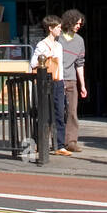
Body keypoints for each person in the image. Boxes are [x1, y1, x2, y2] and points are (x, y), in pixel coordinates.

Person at [30, 15, 68, 156]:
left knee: (59, 112)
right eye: (57, 27)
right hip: (45, 82)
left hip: (57, 81)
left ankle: (60, 145)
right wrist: (47, 57)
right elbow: (33, 63)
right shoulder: (42, 45)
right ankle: (39, 143)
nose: (60, 29)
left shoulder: (59, 45)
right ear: (50, 29)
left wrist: (62, 83)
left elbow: (60, 68)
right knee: (44, 114)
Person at [60, 9, 87, 154]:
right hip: (56, 79)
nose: (78, 26)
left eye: (80, 24)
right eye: (76, 23)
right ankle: (49, 140)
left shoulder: (79, 41)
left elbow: (80, 63)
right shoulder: (58, 37)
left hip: (71, 79)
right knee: (55, 111)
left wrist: (82, 84)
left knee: (72, 111)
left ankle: (71, 141)